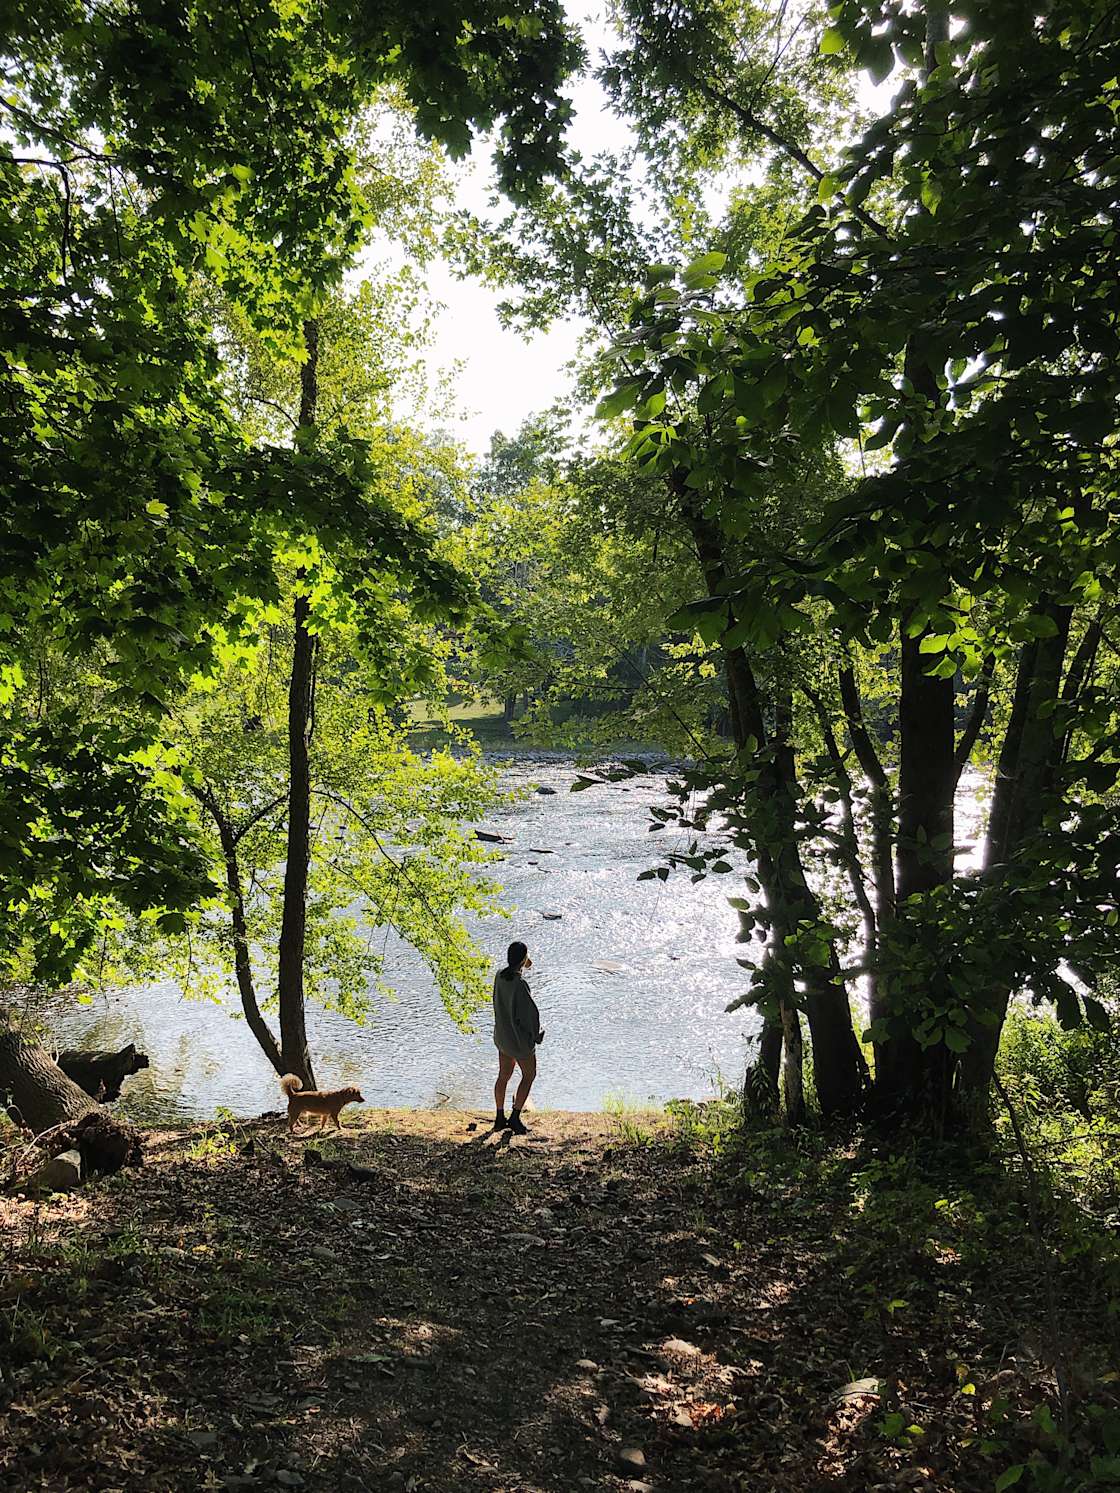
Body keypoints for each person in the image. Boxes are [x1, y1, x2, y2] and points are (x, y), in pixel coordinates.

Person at [492, 940, 544, 1134]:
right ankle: (514, 1117)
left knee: (503, 1076)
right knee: (529, 1075)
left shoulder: (499, 976)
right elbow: (530, 1016)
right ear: (521, 959)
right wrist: (536, 1035)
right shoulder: (520, 985)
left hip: (503, 1037)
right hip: (519, 1042)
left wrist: (524, 963)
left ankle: (499, 1117)